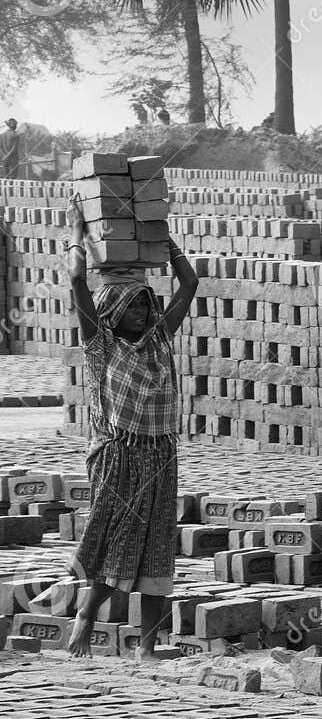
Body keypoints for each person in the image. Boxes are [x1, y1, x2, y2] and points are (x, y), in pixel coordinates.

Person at [63, 198, 199, 660]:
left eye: (146, 304)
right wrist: (78, 233)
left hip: (160, 454)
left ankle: (148, 645)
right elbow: (78, 280)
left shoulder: (159, 338)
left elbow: (190, 282)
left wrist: (160, 238)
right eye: (132, 306)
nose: (142, 312)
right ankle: (84, 619)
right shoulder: (99, 344)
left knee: (158, 546)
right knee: (118, 539)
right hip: (118, 455)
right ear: (111, 312)